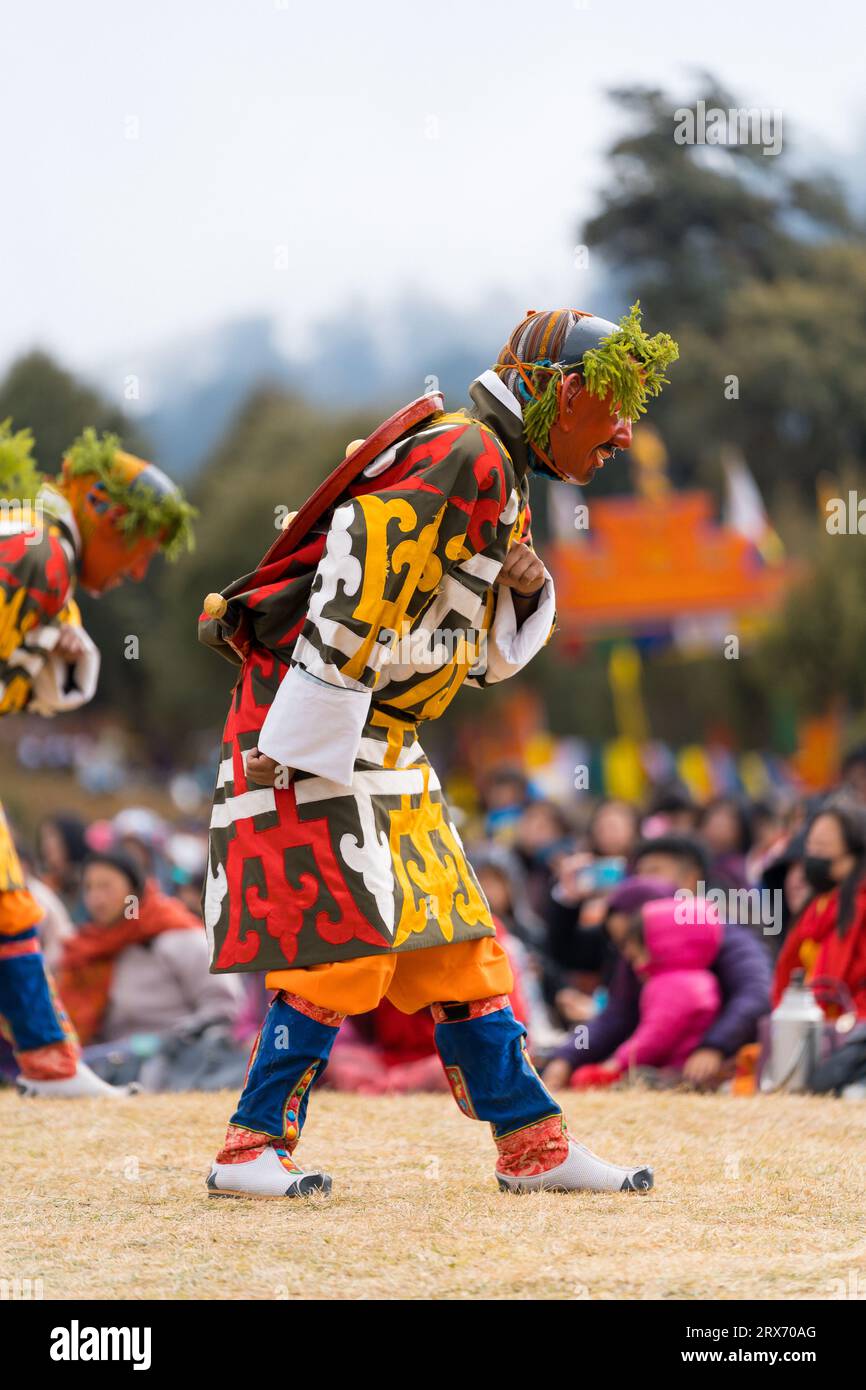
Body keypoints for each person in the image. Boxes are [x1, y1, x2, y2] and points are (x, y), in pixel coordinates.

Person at [202, 302, 678, 1198]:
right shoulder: (470, 452)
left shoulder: (498, 466)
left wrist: (520, 592)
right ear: (565, 392)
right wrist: (299, 740)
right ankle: (248, 1151)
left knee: (459, 944)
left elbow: (472, 652)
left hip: (376, 730)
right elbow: (360, 558)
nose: (621, 433)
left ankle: (533, 1146)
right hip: (321, 718)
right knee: (345, 945)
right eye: (614, 406)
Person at [0, 420, 194, 1097]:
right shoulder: (42, 557)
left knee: (9, 903)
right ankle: (49, 1065)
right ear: (103, 512)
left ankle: (49, 1063)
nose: (139, 567)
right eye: (140, 547)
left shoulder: (32, 540)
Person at [544, 844, 773, 1090]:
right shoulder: (643, 957)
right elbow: (613, 1016)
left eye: (655, 870)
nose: (631, 957)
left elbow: (755, 993)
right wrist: (566, 1056)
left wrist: (714, 1046)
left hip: (718, 1069)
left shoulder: (723, 935)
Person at [55, 852, 244, 1062]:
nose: (96, 898)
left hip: (182, 1058)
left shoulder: (176, 938)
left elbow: (223, 1007)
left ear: (134, 892)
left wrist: (175, 1039)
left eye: (106, 886)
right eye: (89, 888)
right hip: (111, 1062)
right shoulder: (88, 949)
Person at [572, 897, 722, 1087]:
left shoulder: (670, 985)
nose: (634, 964)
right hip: (683, 1068)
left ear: (663, 945)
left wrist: (615, 1064)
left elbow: (655, 1036)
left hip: (674, 1073)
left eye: (638, 953)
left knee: (588, 1079)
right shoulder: (701, 979)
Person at [773, 801, 866, 1021]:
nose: (814, 856)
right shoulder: (815, 906)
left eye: (823, 848)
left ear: (854, 855)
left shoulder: (859, 908)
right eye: (811, 847)